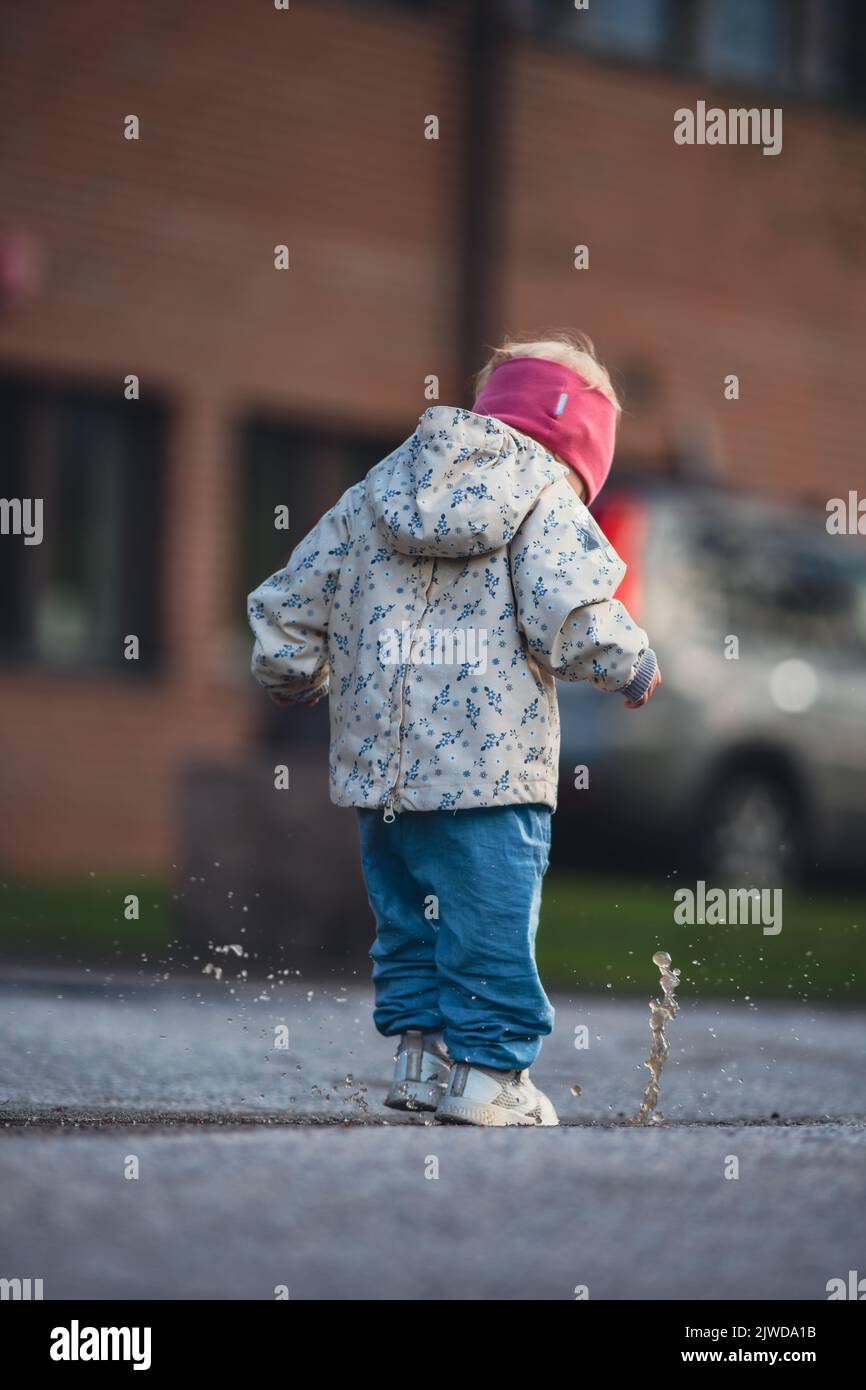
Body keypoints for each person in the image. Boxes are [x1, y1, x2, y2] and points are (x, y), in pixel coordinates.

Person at [248, 333, 660, 1126]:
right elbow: (573, 608)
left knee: (408, 919)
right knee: (489, 922)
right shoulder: (544, 495)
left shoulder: (377, 488)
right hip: (492, 777)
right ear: (577, 449)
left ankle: (419, 1056)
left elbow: (290, 601)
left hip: (385, 781)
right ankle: (491, 1077)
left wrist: (294, 675)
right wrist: (631, 664)